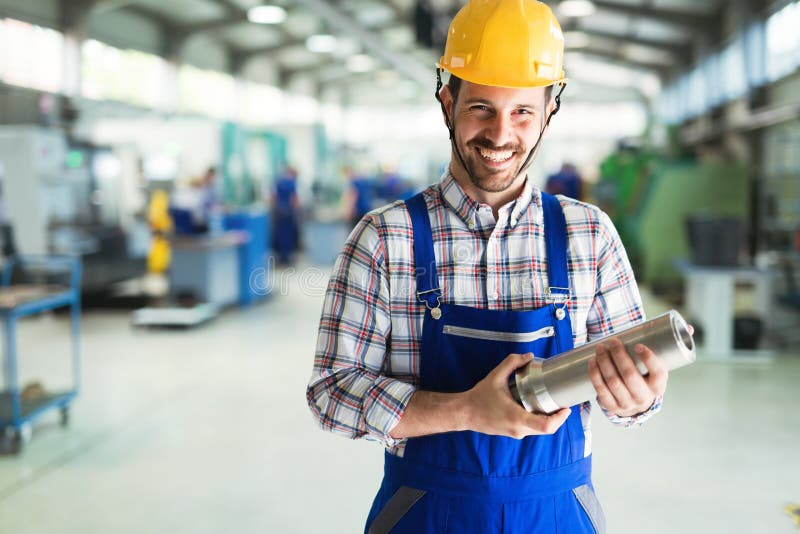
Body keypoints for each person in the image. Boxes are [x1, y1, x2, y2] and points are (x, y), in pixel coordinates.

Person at [307, 1, 669, 532]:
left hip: (556, 512)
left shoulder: (589, 235)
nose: (501, 134)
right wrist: (467, 410)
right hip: (426, 512)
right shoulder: (385, 238)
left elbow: (631, 396)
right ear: (446, 100)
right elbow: (331, 392)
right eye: (481, 108)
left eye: (522, 111)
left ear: (550, 110)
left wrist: (639, 397)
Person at [272, 166, 300, 265]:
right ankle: (287, 257)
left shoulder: (278, 182)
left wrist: (277, 207)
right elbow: (294, 198)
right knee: (289, 234)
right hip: (288, 212)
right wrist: (295, 209)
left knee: (280, 234)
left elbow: (274, 197)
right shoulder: (292, 183)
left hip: (279, 211)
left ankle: (280, 257)